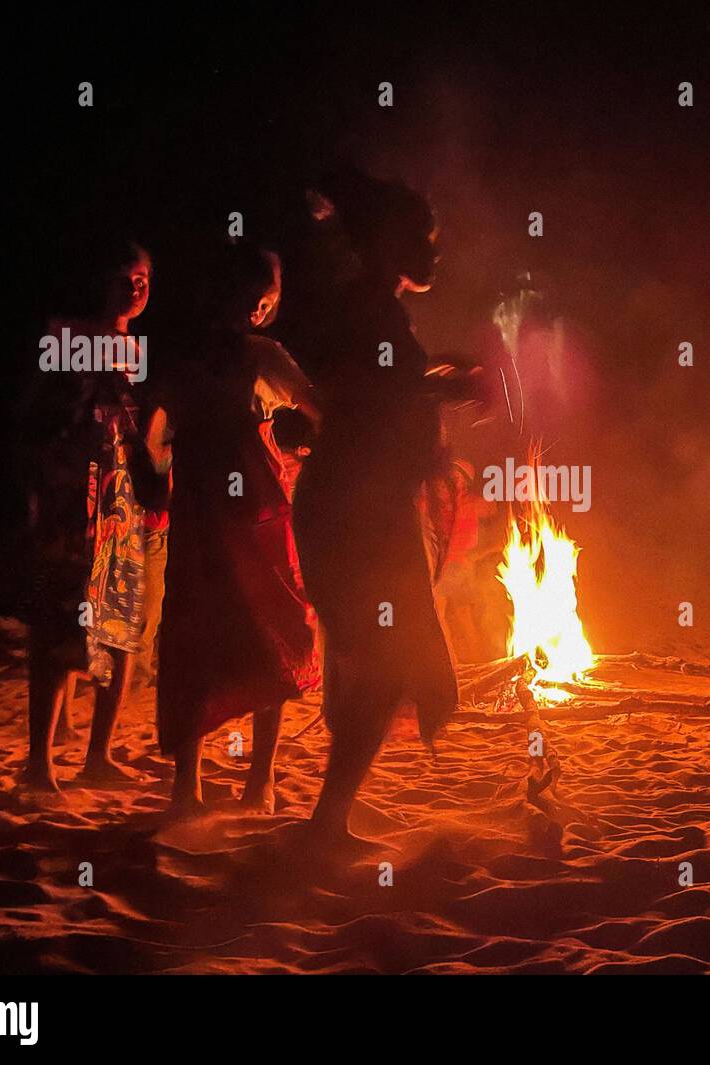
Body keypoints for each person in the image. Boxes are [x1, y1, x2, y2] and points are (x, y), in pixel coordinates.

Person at [287, 174, 488, 848]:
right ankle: (325, 825)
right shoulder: (367, 310)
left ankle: (329, 818)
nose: (433, 252)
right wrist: (440, 391)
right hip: (353, 509)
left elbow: (380, 393)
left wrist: (441, 384)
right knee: (384, 658)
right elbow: (360, 403)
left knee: (376, 658)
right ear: (382, 241)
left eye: (433, 239)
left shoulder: (376, 311)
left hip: (362, 505)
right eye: (417, 238)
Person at [156, 241, 320, 814]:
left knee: (263, 628)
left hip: (249, 509)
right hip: (221, 513)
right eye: (252, 290)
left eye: (265, 292)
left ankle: (246, 783)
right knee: (221, 633)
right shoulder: (218, 359)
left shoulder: (256, 355)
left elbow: (316, 409)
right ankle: (206, 786)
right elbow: (321, 408)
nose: (257, 302)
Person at [22, 237, 164, 791]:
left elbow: (138, 429)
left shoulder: (132, 347)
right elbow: (33, 415)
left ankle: (97, 756)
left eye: (144, 279)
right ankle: (39, 764)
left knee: (123, 626)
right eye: (125, 278)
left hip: (119, 504)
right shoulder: (66, 338)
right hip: (70, 503)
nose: (136, 288)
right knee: (60, 629)